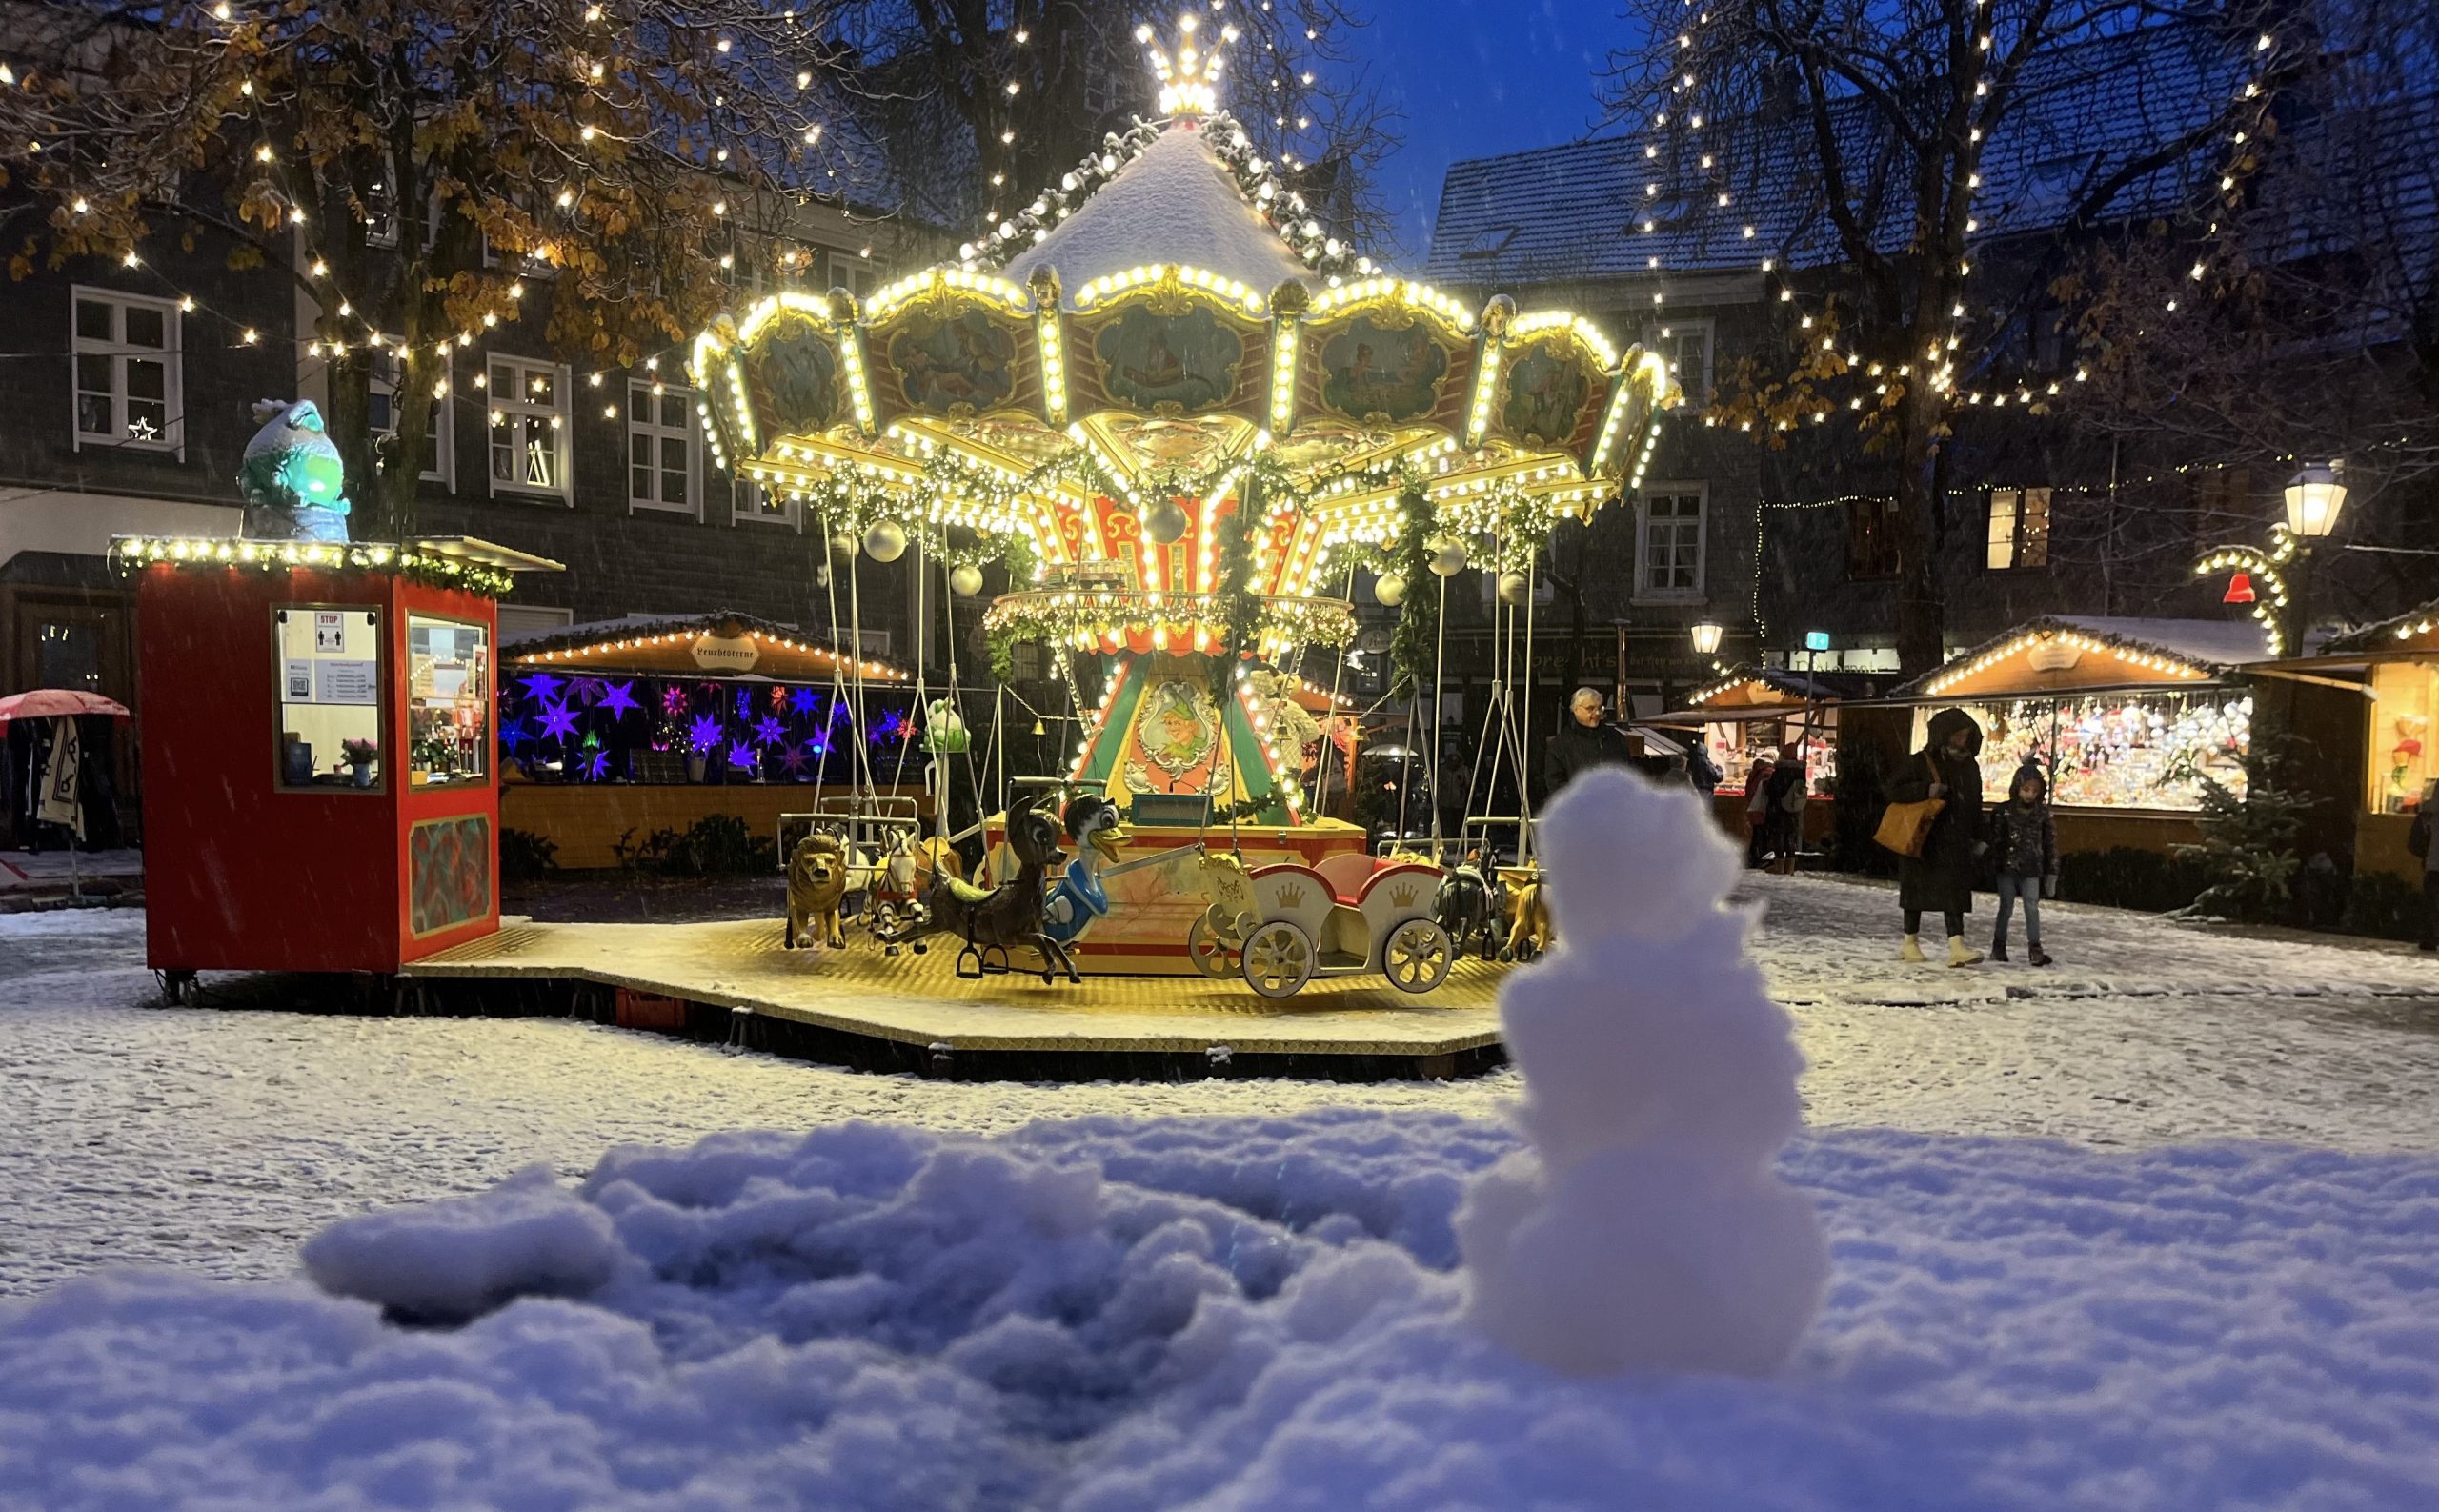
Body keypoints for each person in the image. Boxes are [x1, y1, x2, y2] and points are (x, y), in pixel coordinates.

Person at [1886, 707, 1985, 966]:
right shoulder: (1920, 761)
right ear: (1944, 735)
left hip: (1955, 839)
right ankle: (1910, 941)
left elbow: (1975, 802)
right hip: (1924, 837)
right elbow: (1891, 789)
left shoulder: (1969, 765)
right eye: (1958, 736)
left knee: (1954, 892)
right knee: (1916, 891)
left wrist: (1979, 835)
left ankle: (1956, 944)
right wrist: (1925, 790)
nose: (1962, 741)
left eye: (1965, 736)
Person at [1987, 762, 2059, 965]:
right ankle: (1999, 945)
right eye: (2026, 789)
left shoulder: (2042, 814)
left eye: (2034, 791)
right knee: (2006, 906)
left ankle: (2034, 947)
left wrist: (2052, 870)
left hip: (2031, 867)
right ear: (2017, 788)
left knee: (2031, 907)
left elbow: (2050, 843)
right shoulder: (2004, 812)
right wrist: (1993, 860)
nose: (2030, 795)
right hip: (2008, 866)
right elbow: (1996, 839)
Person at [1544, 687, 1632, 798]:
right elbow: (1556, 785)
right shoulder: (1560, 745)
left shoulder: (1615, 739)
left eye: (1600, 708)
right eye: (1590, 709)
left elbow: (1629, 774)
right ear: (1576, 710)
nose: (1596, 713)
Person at [1764, 741, 1807, 876]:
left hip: (1779, 807)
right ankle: (1790, 867)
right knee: (1791, 837)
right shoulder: (1800, 770)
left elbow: (1773, 789)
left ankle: (1779, 866)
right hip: (1795, 807)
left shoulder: (1781, 770)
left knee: (1779, 836)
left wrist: (1766, 783)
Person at [2414, 780, 2437, 953]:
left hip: (2435, 862)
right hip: (2434, 860)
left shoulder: (2430, 809)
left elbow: (2428, 806)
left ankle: (2429, 938)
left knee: (2431, 901)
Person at [1744, 754, 1777, 867]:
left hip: (1753, 806)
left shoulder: (1753, 773)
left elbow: (1748, 789)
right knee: (1763, 835)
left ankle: (1753, 857)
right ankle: (1760, 858)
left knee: (1756, 834)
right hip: (1763, 809)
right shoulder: (1769, 774)